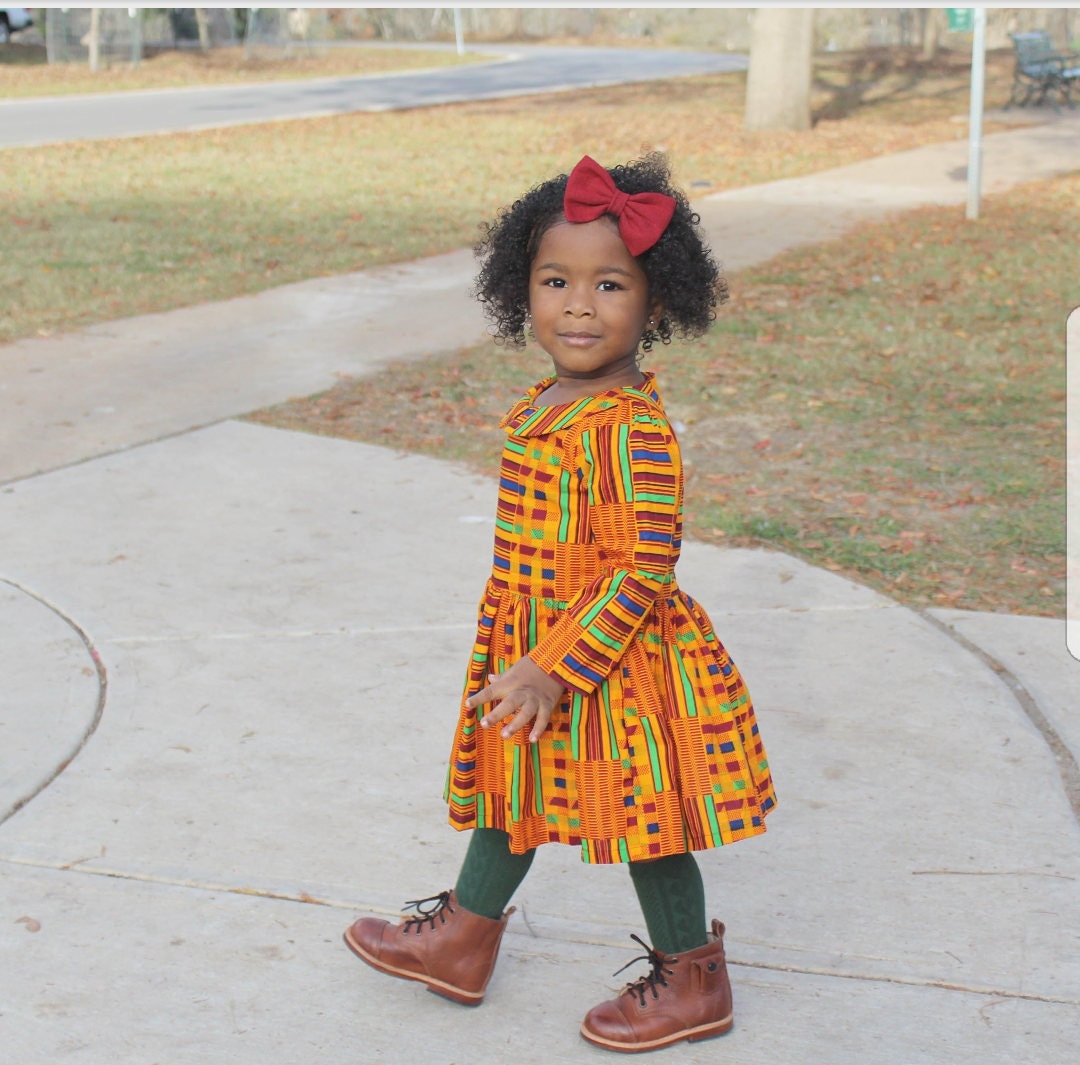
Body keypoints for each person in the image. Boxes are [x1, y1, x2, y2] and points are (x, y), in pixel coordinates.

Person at [343, 153, 777, 1053]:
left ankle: (693, 977)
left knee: (644, 820)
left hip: (613, 665)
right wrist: (523, 655)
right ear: (520, 290)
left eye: (610, 283)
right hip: (531, 645)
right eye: (555, 280)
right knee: (513, 787)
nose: (579, 304)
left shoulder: (633, 428)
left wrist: (552, 667)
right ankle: (463, 942)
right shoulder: (553, 401)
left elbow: (640, 570)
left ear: (657, 305)